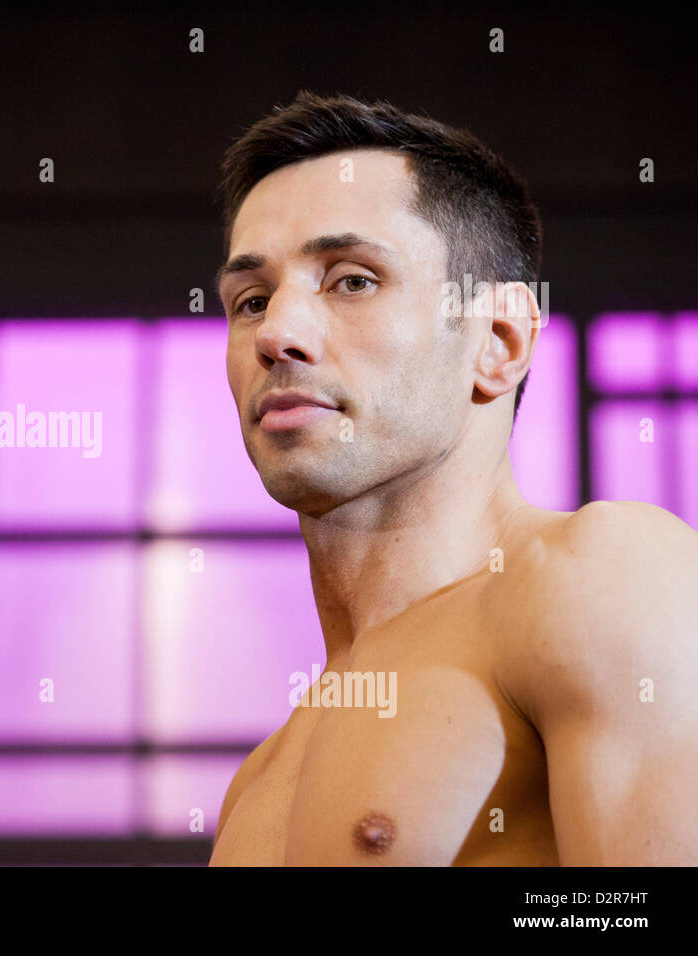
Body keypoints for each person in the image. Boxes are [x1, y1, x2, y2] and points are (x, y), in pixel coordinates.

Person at [209, 92, 697, 865]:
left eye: (353, 280)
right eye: (252, 299)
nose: (275, 332)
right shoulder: (255, 785)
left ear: (499, 339)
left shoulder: (605, 574)